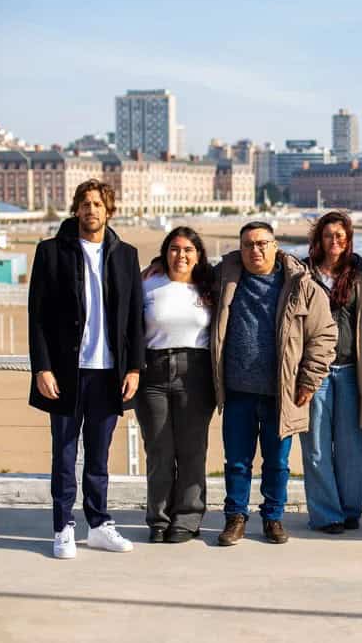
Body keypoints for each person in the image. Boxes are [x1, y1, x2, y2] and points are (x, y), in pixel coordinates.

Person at [28, 178, 144, 559]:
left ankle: (98, 524)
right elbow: (38, 318)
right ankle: (63, 527)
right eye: (85, 203)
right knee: (63, 454)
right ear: (76, 209)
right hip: (66, 373)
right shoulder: (51, 252)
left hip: (110, 372)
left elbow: (134, 321)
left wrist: (134, 369)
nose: (91, 209)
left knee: (98, 455)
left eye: (98, 203)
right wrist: (42, 368)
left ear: (109, 210)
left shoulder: (125, 254)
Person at [213, 222, 337, 546]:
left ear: (275, 245)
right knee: (237, 461)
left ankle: (273, 517)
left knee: (278, 463)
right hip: (238, 390)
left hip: (281, 393)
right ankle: (236, 517)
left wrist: (309, 379)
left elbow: (324, 334)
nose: (255, 250)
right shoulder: (226, 276)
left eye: (262, 243)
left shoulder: (301, 284)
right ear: (240, 248)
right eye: (248, 245)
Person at [136, 227, 216, 544]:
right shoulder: (148, 283)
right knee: (159, 450)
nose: (180, 256)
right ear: (164, 252)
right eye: (173, 249)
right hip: (153, 372)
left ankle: (187, 518)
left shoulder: (211, 285)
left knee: (192, 450)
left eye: (187, 250)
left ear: (198, 255)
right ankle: (158, 519)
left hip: (196, 373)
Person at [300, 211, 362, 534]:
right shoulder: (302, 273)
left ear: (348, 239)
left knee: (353, 446)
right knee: (315, 446)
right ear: (319, 238)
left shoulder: (360, 272)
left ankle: (349, 509)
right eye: (329, 235)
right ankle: (327, 514)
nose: (334, 242)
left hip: (351, 370)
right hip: (314, 373)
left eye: (340, 236)